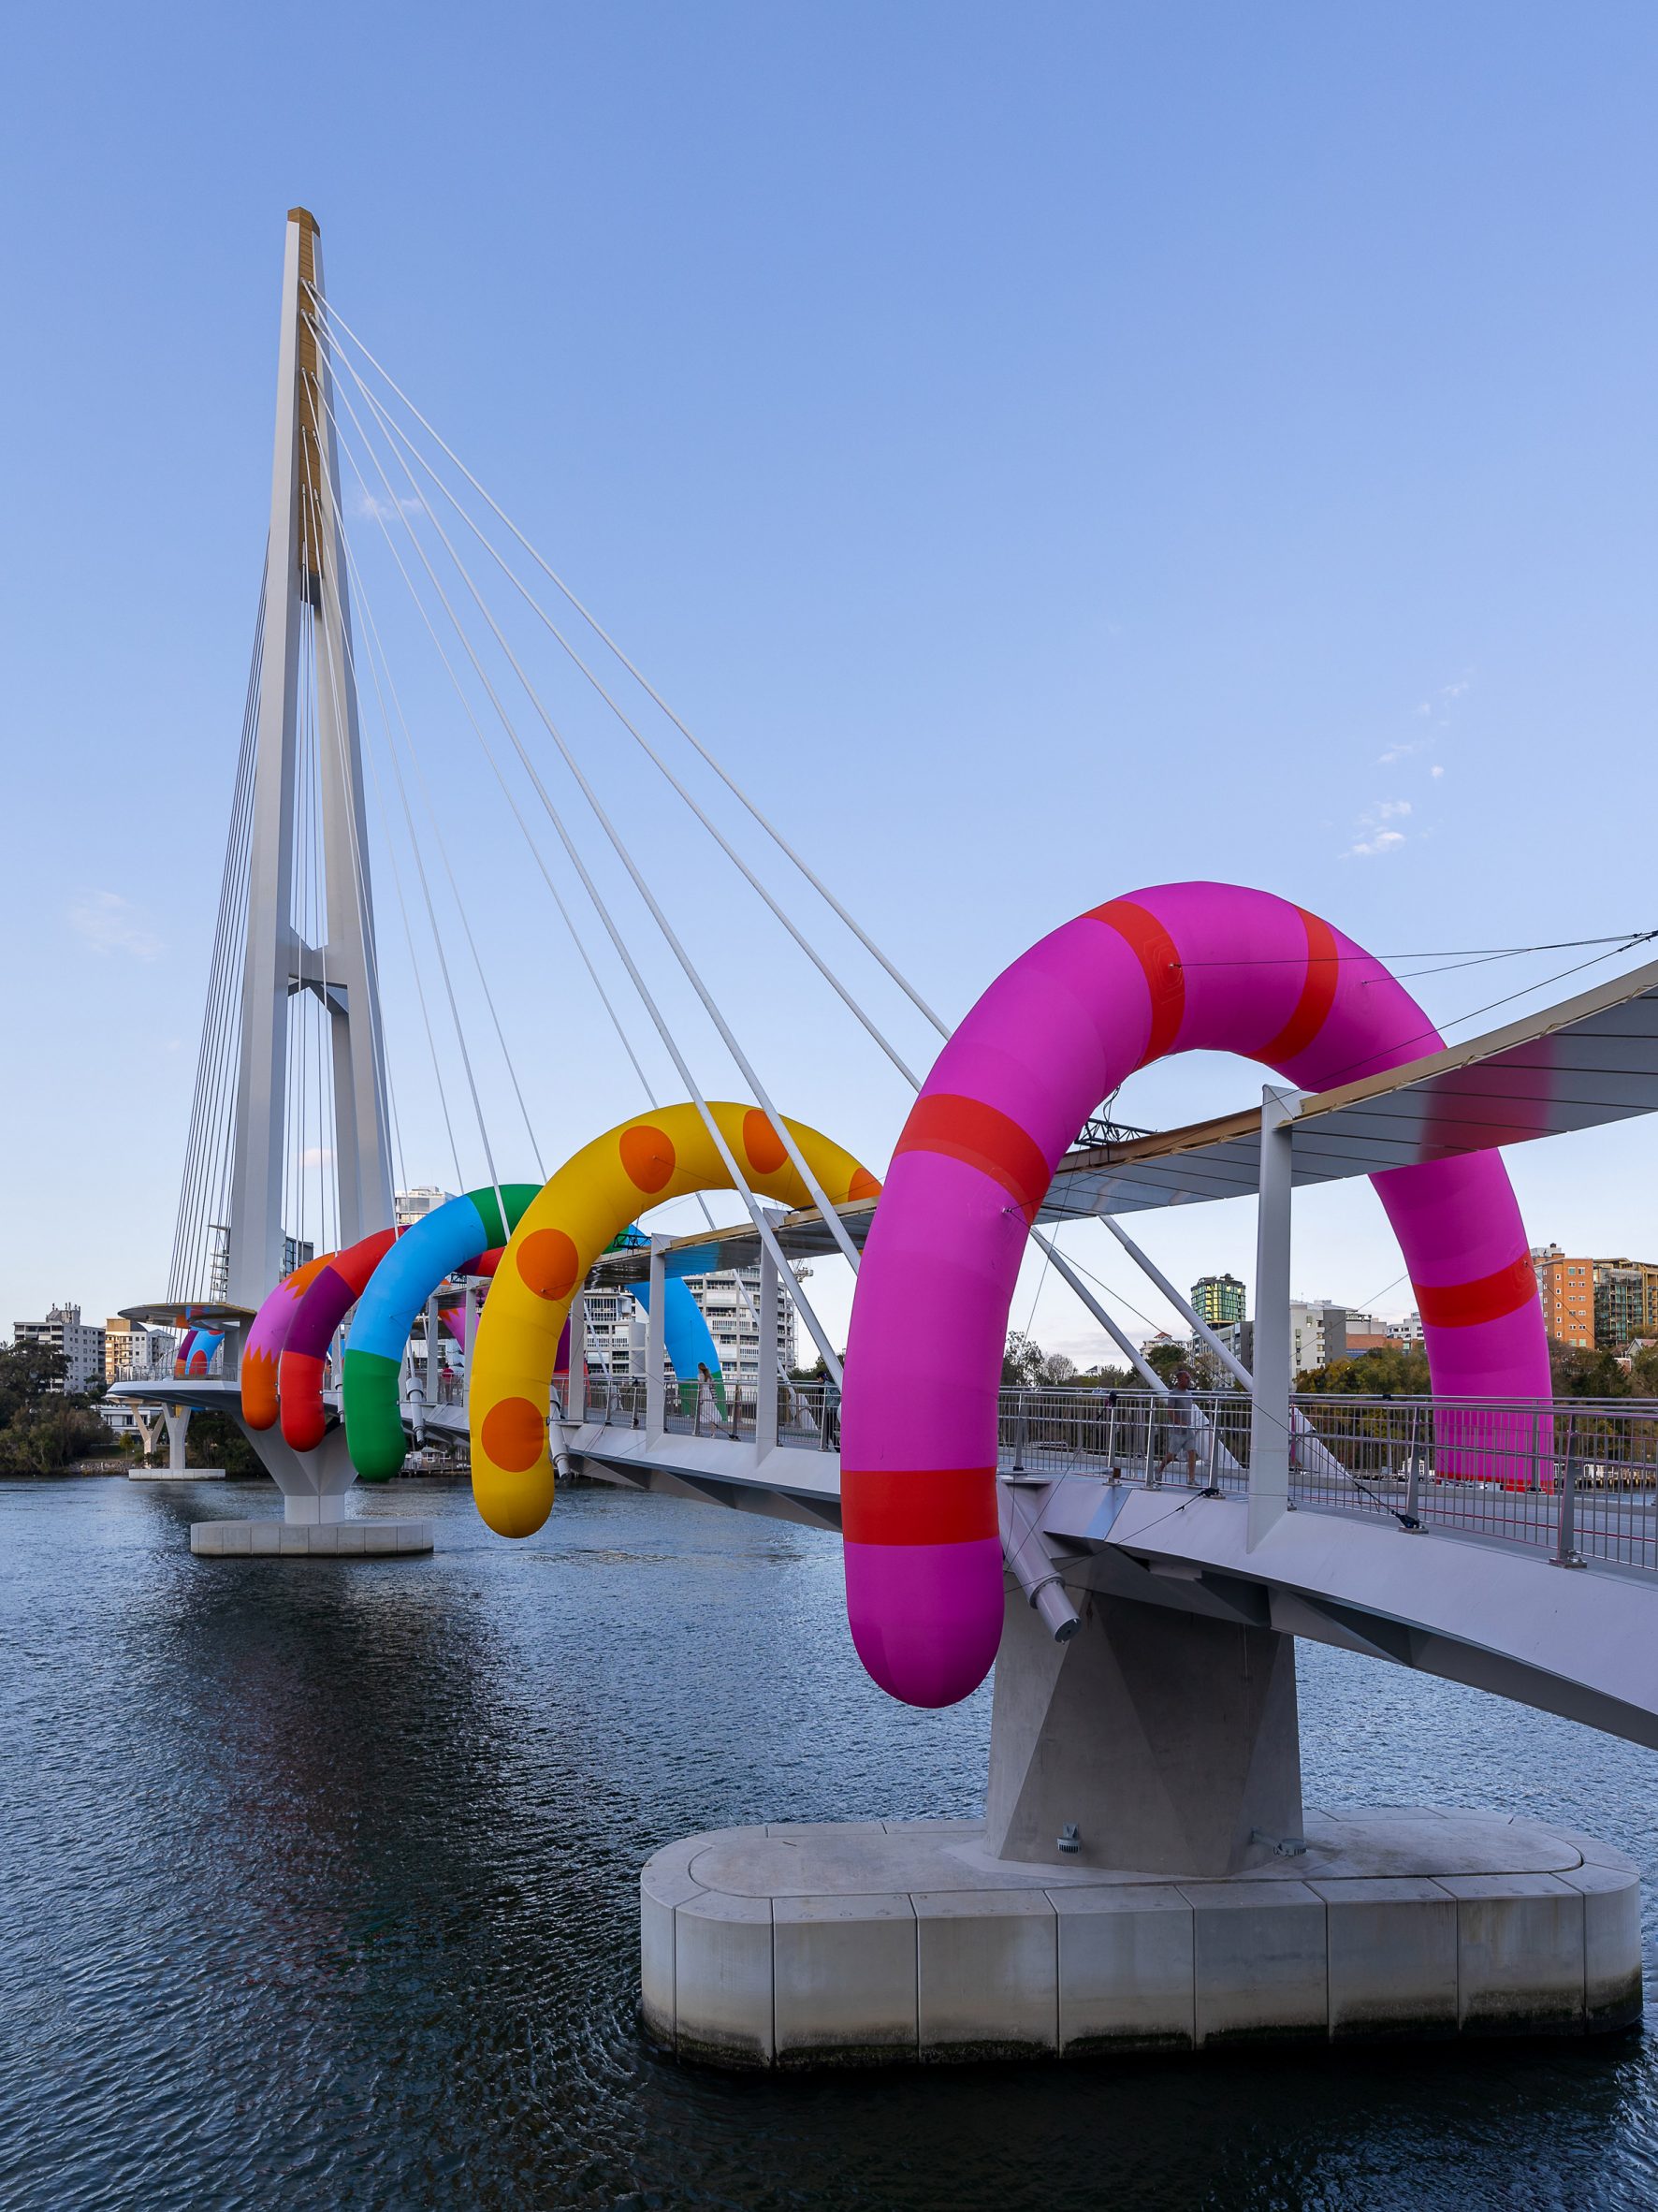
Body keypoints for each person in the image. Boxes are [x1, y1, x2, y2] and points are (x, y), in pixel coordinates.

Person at [1154, 1367, 1201, 1487]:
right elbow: (1170, 1411)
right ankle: (1159, 1469)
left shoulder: (1189, 1394)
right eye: (1186, 1378)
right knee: (1172, 1455)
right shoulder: (1173, 1394)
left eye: (1189, 1378)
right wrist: (1179, 1422)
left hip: (1188, 1430)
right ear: (1180, 1380)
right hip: (1177, 1431)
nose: (1188, 1380)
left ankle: (1191, 1479)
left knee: (1192, 1452)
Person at [695, 1361, 718, 1432]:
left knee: (701, 1412)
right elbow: (713, 1384)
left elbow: (700, 1387)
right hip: (709, 1394)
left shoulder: (699, 1376)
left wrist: (700, 1398)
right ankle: (713, 1433)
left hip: (703, 1394)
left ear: (699, 1368)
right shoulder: (709, 1376)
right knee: (712, 1413)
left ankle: (697, 1431)